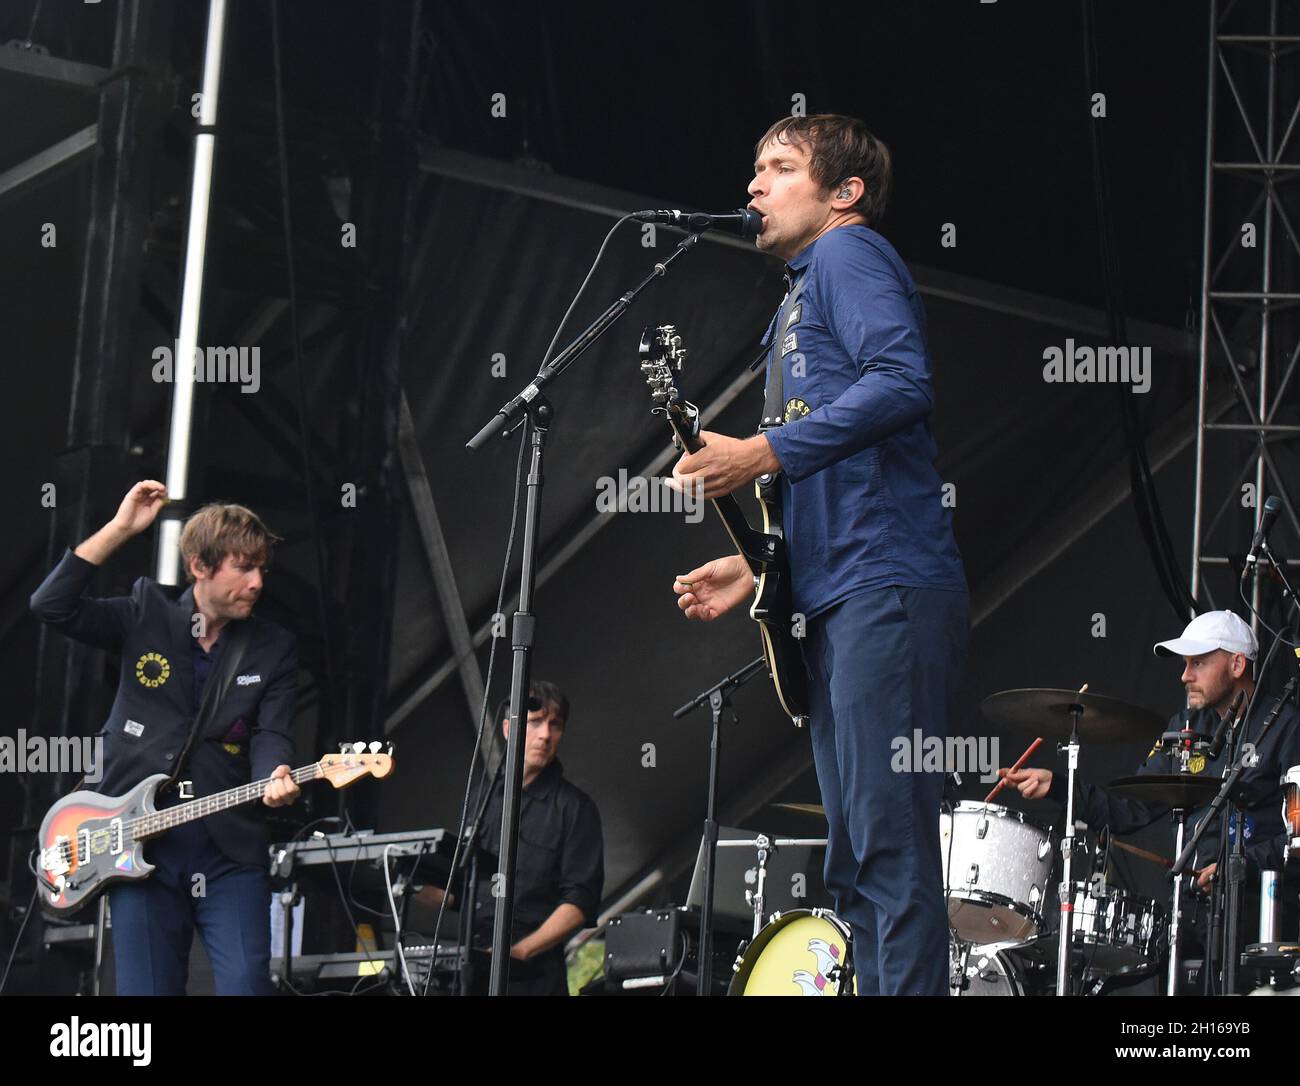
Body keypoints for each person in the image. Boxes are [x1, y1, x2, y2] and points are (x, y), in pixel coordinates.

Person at [670, 115, 968, 995]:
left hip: (886, 586)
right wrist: (762, 565)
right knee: (857, 858)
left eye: (781, 167)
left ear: (844, 194)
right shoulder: (800, 291)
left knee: (886, 845)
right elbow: (839, 463)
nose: (755, 185)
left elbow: (905, 382)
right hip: (839, 590)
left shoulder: (849, 255)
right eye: (753, 167)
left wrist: (760, 454)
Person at [30, 480, 300, 995]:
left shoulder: (273, 646)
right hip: (138, 851)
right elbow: (51, 605)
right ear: (200, 566)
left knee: (247, 985)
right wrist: (121, 527)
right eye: (244, 567)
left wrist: (275, 775)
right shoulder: (145, 612)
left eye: (262, 568)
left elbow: (272, 732)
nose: (258, 581)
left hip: (228, 850)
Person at [999, 610, 1300, 990]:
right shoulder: (1186, 727)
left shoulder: (1287, 726)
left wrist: (1241, 867)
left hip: (1263, 909)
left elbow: (1298, 838)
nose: (1185, 675)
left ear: (1237, 663)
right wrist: (1059, 787)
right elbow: (1132, 807)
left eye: (1198, 663)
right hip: (1191, 908)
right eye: (1185, 664)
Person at [417, 682, 604, 996]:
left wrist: (519, 952)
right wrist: (408, 880)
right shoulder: (481, 800)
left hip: (534, 979)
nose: (545, 735)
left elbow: (580, 903)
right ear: (507, 728)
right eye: (535, 722)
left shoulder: (576, 809)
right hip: (470, 974)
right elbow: (461, 893)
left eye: (554, 725)